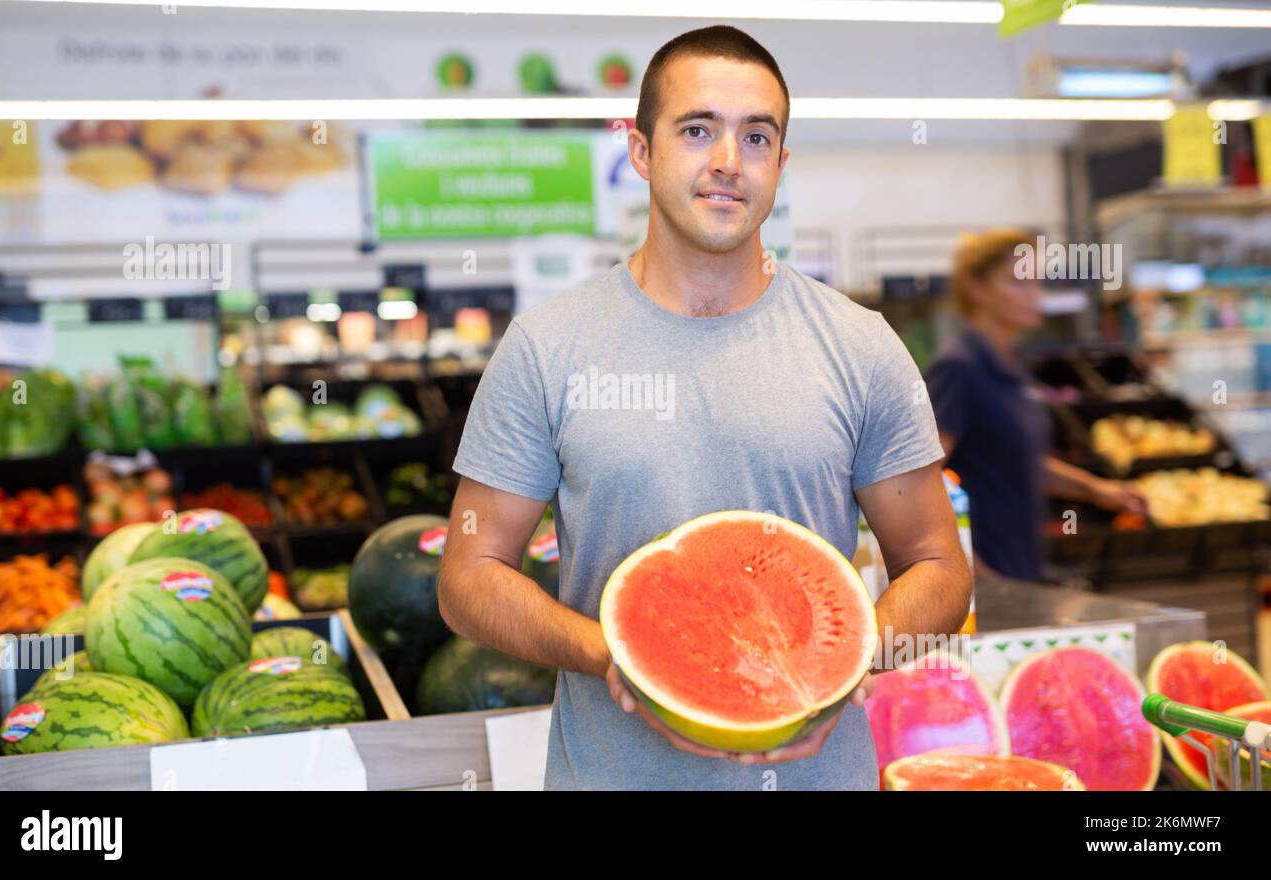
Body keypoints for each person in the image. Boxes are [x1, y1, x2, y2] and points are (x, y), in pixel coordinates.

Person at [438, 25, 972, 791]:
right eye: (697, 130)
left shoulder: (861, 347)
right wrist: (611, 654)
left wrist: (847, 658)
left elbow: (937, 564)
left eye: (757, 137)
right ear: (641, 150)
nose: (728, 161)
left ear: (780, 165)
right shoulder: (546, 348)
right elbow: (468, 573)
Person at [925, 229, 1148, 583]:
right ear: (977, 288)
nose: (1034, 296)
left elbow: (1019, 459)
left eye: (1036, 282)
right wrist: (966, 565)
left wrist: (1097, 490)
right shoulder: (960, 367)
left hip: (1020, 567)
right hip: (985, 578)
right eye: (1018, 282)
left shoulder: (1011, 364)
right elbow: (924, 475)